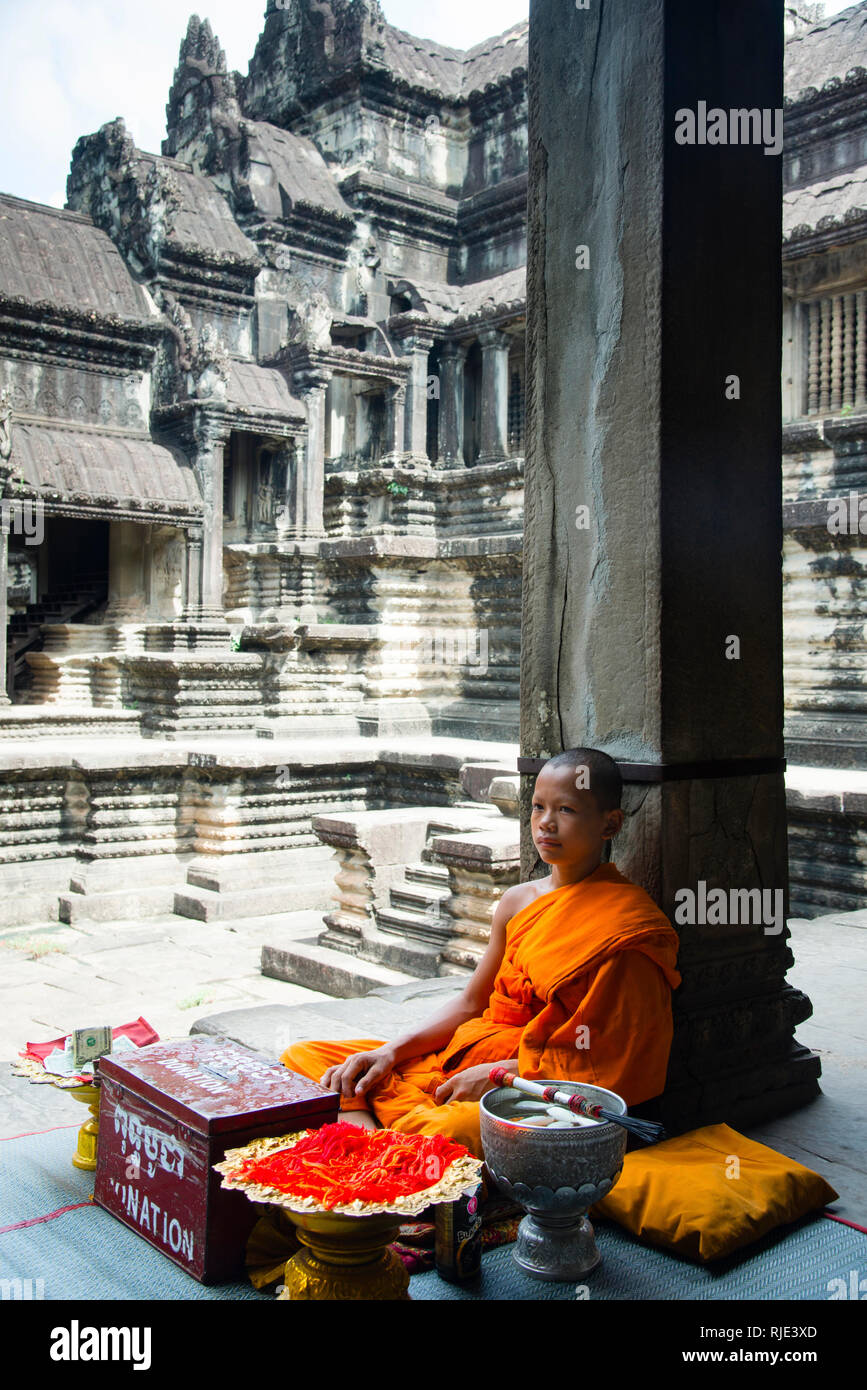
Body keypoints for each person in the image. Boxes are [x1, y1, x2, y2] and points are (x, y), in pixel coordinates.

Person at [282, 749, 681, 1158]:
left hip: (527, 1092)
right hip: (456, 1059)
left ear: (609, 824)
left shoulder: (628, 928)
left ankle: (377, 1142)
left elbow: (613, 1065)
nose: (546, 823)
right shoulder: (517, 901)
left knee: (443, 1131)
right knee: (308, 1058)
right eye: (538, 807)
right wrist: (388, 1053)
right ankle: (384, 1148)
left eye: (566, 809)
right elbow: (472, 1002)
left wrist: (504, 1077)